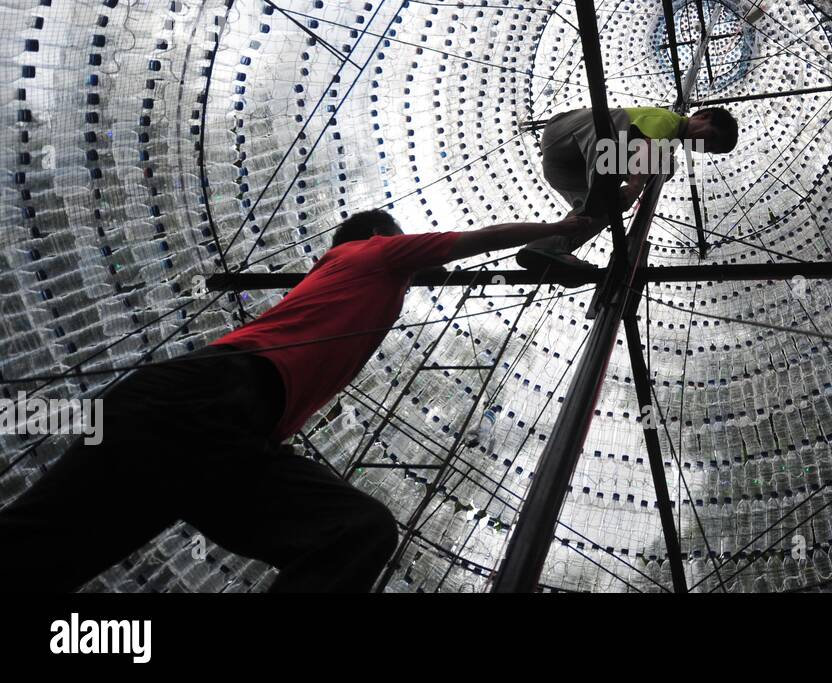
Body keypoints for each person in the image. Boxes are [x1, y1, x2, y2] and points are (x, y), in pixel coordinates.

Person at [0, 209, 596, 593]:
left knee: (43, 551)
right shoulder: (370, 253)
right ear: (381, 237)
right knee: (353, 531)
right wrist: (563, 231)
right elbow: (474, 240)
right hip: (213, 399)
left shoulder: (355, 276)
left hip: (208, 417)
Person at [516, 105, 738, 272]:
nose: (704, 146)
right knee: (621, 126)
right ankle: (603, 186)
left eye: (710, 148)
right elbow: (647, 144)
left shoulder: (667, 146)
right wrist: (634, 186)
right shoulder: (669, 119)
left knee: (600, 211)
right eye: (710, 137)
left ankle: (546, 246)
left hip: (567, 168)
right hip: (567, 135)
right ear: (703, 116)